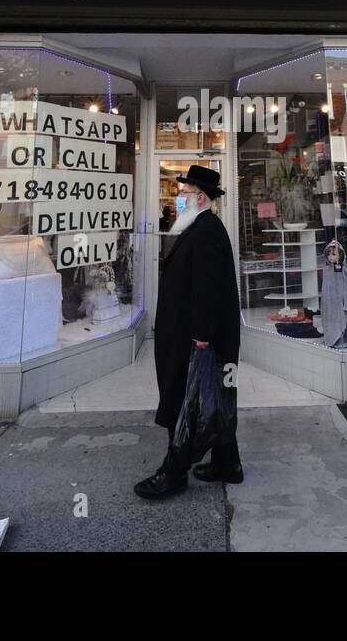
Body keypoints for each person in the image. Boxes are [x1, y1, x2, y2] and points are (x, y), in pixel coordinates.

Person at [134, 164, 242, 499]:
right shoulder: (199, 226)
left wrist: (201, 335)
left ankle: (173, 472)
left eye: (183, 193)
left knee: (183, 399)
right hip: (192, 331)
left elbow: (207, 289)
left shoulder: (207, 230)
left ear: (199, 197)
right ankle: (227, 464)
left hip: (193, 335)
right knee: (213, 397)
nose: (179, 198)